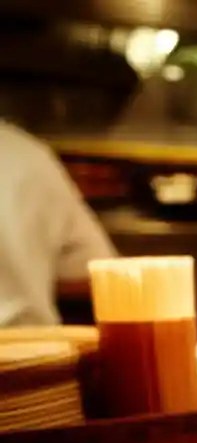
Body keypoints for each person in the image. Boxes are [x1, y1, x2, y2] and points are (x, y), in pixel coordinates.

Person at [0, 121, 117, 327]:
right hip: (36, 345)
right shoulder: (25, 153)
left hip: (32, 347)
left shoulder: (28, 154)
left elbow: (101, 275)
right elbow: (102, 276)